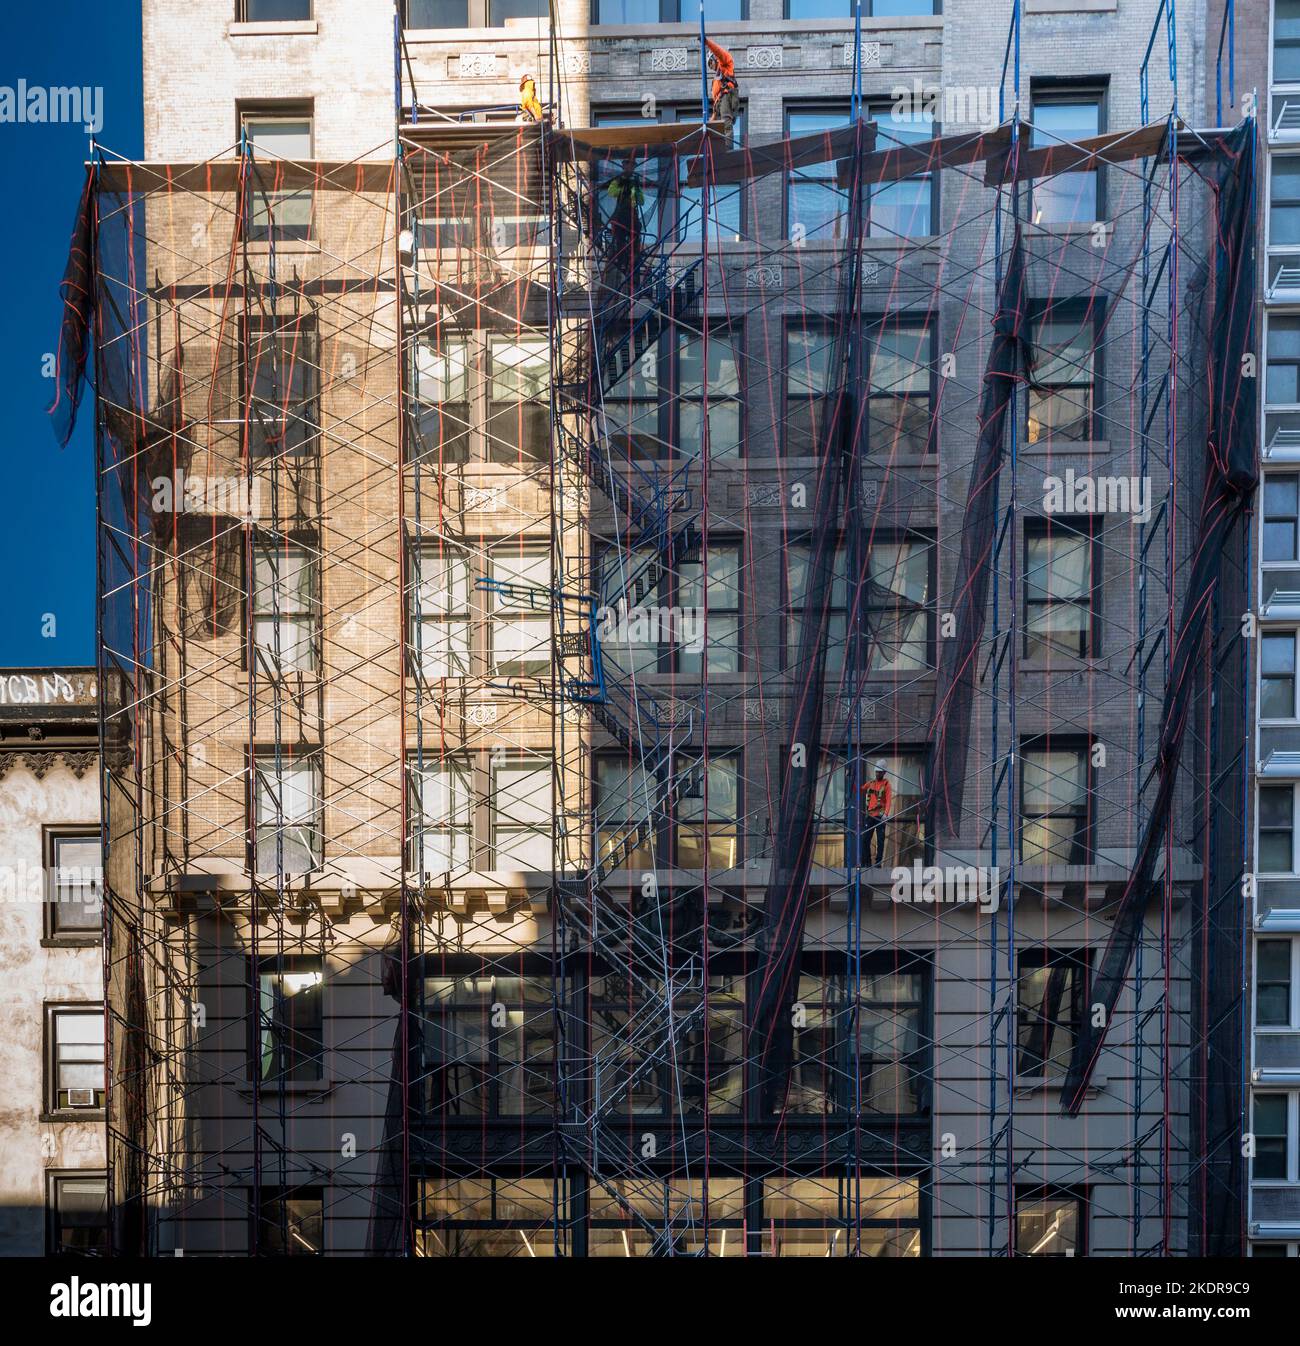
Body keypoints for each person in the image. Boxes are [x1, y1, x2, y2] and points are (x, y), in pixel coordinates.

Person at [704, 38, 739, 136]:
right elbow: (716, 102)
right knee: (721, 128)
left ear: (715, 58)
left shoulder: (725, 64)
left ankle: (728, 148)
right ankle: (723, 145)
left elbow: (718, 51)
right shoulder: (716, 80)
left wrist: (707, 42)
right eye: (709, 65)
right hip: (720, 104)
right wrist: (710, 122)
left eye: (711, 62)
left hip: (727, 97)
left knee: (726, 124)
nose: (711, 67)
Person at [862, 759, 892, 867]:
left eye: (879, 772)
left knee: (880, 841)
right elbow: (859, 790)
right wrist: (851, 779)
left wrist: (886, 814)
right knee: (865, 839)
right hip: (870, 816)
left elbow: (889, 800)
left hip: (880, 816)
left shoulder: (887, 784)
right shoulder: (871, 783)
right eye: (876, 772)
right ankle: (867, 862)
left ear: (884, 772)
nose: (877, 773)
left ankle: (878, 864)